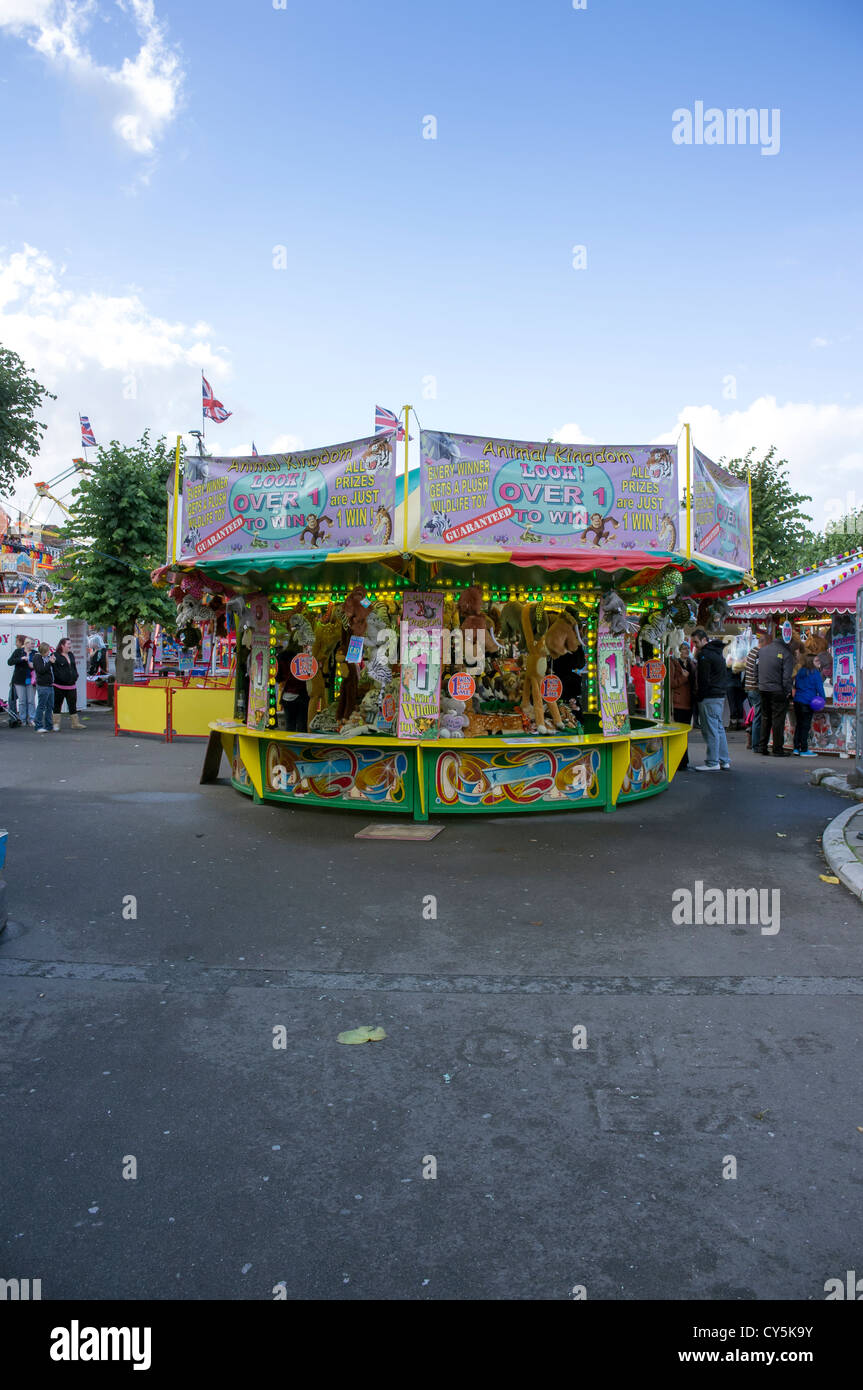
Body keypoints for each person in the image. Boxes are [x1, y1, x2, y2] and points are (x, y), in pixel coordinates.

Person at [691, 627, 730, 771]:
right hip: (719, 695)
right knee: (718, 728)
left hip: (709, 696)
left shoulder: (704, 656)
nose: (695, 645)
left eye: (696, 642)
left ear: (703, 640)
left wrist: (700, 696)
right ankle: (723, 760)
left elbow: (703, 679)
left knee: (711, 730)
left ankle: (712, 761)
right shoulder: (717, 653)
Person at [758, 631, 794, 756]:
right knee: (778, 720)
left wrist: (759, 683)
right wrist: (786, 690)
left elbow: (754, 669)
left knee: (765, 717)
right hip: (778, 690)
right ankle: (777, 748)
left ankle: (762, 746)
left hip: (763, 688)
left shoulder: (762, 651)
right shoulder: (786, 653)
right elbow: (787, 676)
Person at [792, 652, 825, 757]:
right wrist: (823, 700)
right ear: (811, 662)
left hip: (798, 701)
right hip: (807, 702)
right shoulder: (815, 673)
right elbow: (820, 689)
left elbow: (796, 685)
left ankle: (796, 748)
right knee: (805, 726)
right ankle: (804, 749)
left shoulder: (801, 671)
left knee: (799, 725)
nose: (819, 662)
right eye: (816, 660)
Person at [670, 643, 697, 768]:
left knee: (685, 734)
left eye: (687, 648)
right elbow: (671, 683)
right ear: (678, 651)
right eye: (683, 649)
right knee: (679, 734)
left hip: (689, 703)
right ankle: (680, 762)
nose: (686, 651)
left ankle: (684, 761)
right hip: (678, 703)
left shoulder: (691, 663)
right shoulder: (673, 663)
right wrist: (684, 678)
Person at [52, 637, 85, 731]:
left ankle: (75, 723)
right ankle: (56, 724)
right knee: (57, 704)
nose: (70, 646)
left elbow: (73, 667)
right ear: (62, 645)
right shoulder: (55, 655)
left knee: (72, 704)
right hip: (59, 685)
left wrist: (76, 675)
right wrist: (61, 678)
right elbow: (55, 670)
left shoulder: (70, 654)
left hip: (71, 685)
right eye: (68, 644)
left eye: (70, 644)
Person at [276, 646, 310, 733]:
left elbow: (278, 677)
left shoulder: (281, 657)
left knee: (289, 726)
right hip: (301, 694)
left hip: (287, 695)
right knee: (302, 726)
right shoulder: (304, 657)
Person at [743, 631, 768, 752]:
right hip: (755, 688)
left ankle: (752, 741)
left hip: (749, 688)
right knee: (758, 716)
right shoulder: (759, 653)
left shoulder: (752, 651)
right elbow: (758, 671)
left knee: (754, 716)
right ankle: (755, 745)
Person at [7, 635, 36, 727]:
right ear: (26, 644)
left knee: (31, 700)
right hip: (19, 680)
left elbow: (38, 664)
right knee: (22, 701)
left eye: (34, 644)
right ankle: (23, 719)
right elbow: (10, 662)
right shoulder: (18, 652)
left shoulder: (35, 653)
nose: (33, 645)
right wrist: (21, 659)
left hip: (31, 680)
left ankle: (32, 719)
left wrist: (32, 664)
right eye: (31, 644)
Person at [32, 641, 55, 732]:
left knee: (50, 706)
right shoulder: (37, 658)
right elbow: (41, 670)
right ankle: (38, 725)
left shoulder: (46, 657)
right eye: (47, 651)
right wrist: (50, 662)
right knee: (41, 706)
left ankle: (49, 725)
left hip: (50, 684)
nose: (49, 652)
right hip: (43, 685)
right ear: (43, 651)